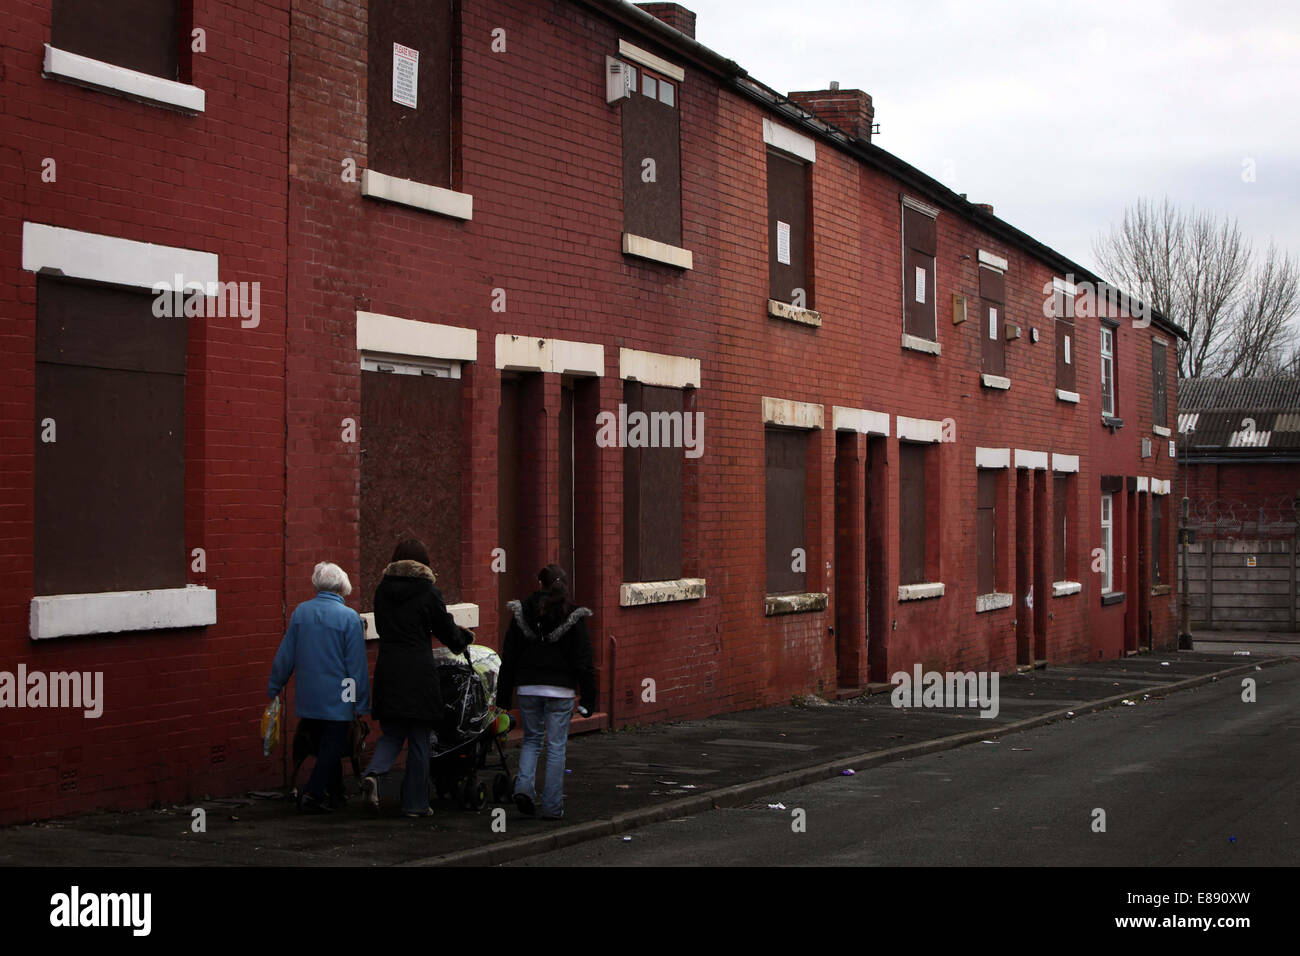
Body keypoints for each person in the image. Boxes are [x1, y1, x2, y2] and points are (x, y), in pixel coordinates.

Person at [361, 539, 472, 818]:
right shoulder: (428, 592)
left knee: (393, 732)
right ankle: (415, 804)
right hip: (418, 673)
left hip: (389, 670)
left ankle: (374, 773)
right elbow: (445, 629)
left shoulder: (382, 591)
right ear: (424, 564)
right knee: (420, 738)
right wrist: (463, 639)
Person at [268, 561, 370, 814]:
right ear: (343, 586)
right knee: (333, 744)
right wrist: (359, 702)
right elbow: (356, 666)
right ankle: (313, 794)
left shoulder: (301, 613)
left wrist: (275, 685)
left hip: (308, 695)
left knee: (324, 743)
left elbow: (286, 655)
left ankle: (336, 794)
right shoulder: (349, 618)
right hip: (339, 695)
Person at [497, 565, 597, 821]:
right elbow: (584, 660)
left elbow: (509, 657)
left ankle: (523, 788)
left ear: (538, 583)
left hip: (528, 686)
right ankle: (552, 807)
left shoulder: (523, 611)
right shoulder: (573, 615)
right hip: (561, 690)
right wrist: (588, 699)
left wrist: (503, 697)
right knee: (555, 746)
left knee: (531, 740)